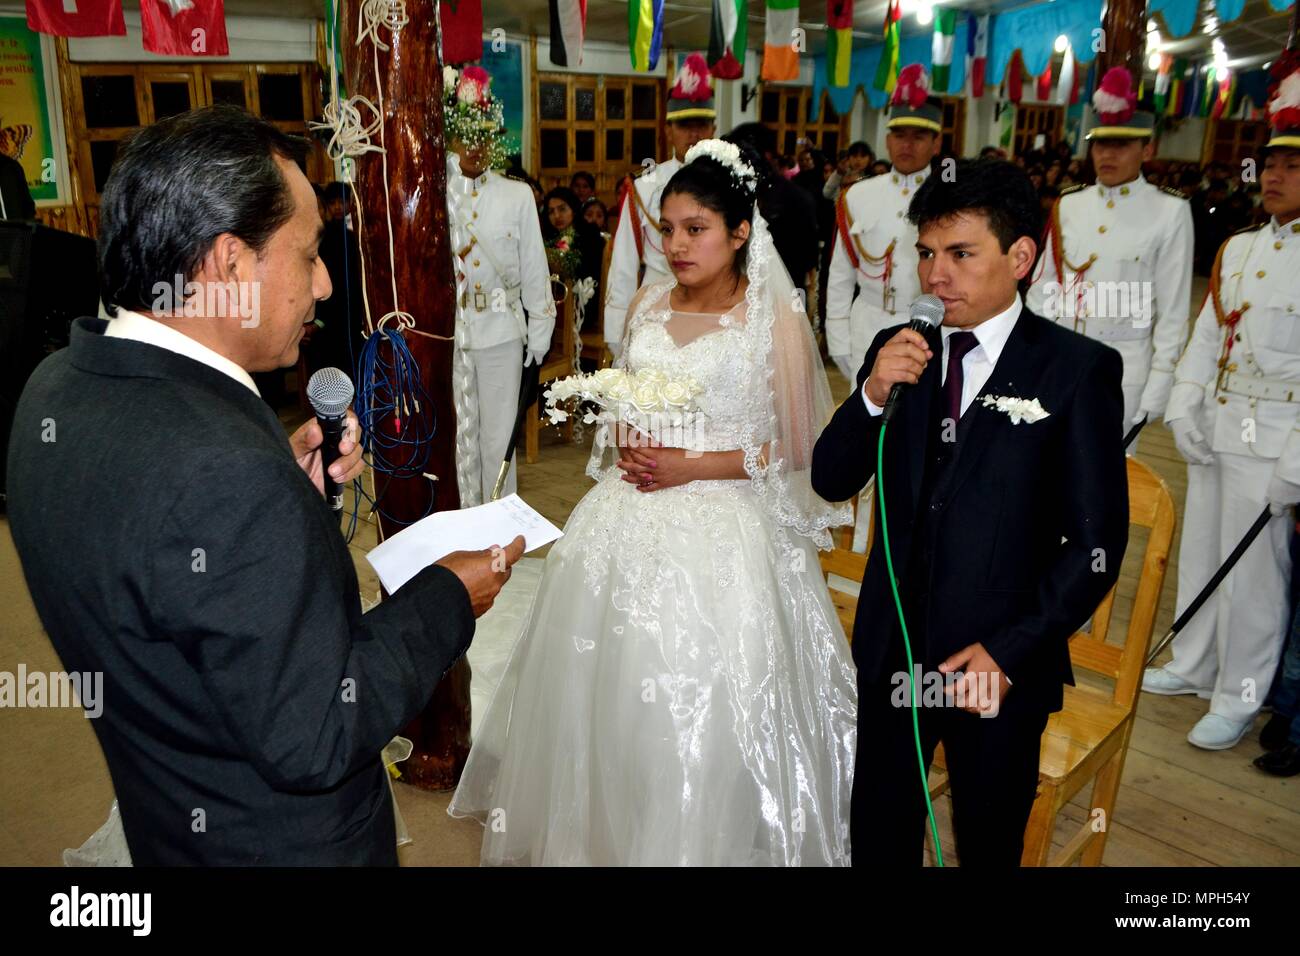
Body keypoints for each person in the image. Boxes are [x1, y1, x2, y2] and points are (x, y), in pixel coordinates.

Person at [4, 105, 523, 865]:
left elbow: (167, 569)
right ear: (228, 265)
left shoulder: (54, 389)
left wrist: (283, 491)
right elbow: (317, 731)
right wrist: (447, 594)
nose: (321, 284)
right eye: (308, 254)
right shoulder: (223, 473)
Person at [449, 139, 857, 865]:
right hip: (626, 512)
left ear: (740, 233)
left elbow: (800, 449)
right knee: (601, 697)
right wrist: (627, 427)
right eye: (666, 229)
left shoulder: (775, 322)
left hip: (725, 525)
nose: (675, 245)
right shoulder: (643, 303)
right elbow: (624, 403)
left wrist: (694, 464)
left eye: (695, 229)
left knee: (695, 708)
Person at [812, 158, 1128, 866]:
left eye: (960, 254)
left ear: (1020, 257)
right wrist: (869, 394)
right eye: (926, 253)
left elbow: (1095, 545)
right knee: (881, 832)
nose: (934, 277)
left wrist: (1009, 651)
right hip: (894, 646)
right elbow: (832, 478)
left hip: (996, 663)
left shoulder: (1074, 368)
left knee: (988, 842)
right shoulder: (900, 351)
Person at [1143, 75, 1300, 750]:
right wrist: (1184, 405)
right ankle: (1195, 661)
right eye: (1271, 164)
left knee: (1255, 580)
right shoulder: (1239, 247)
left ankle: (1240, 694)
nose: (1274, 176)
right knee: (1203, 556)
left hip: (1274, 441)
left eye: (1293, 166)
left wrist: (1296, 465)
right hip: (1217, 425)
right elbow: (1211, 334)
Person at [1025, 67, 1193, 436]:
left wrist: (1160, 381)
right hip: (1060, 360)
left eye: (1121, 145)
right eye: (1101, 144)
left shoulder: (1170, 212)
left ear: (1147, 148)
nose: (1107, 154)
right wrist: (1031, 356)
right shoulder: (1069, 204)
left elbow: (1173, 309)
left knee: (1105, 478)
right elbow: (1042, 290)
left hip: (1123, 366)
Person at [444, 65, 555, 505]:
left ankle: (497, 525)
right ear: (453, 135)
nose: (477, 145)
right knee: (459, 434)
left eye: (486, 135)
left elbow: (534, 267)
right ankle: (460, 521)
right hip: (452, 332)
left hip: (501, 331)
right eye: (468, 134)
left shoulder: (517, 195)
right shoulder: (438, 193)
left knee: (497, 439)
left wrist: (540, 335)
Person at [825, 64, 942, 383]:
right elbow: (841, 274)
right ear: (887, 140)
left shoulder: (949, 196)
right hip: (867, 327)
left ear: (936, 143)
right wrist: (838, 339)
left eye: (919, 136)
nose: (907, 144)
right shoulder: (858, 194)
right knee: (863, 424)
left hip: (930, 332)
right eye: (899, 135)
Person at [603, 52, 716, 361]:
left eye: (702, 124)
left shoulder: (729, 188)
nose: (694, 134)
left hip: (713, 317)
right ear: (668, 130)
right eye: (684, 125)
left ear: (714, 128)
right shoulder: (644, 187)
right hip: (655, 315)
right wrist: (616, 336)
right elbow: (624, 267)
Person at [725, 122, 819, 295]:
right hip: (788, 291)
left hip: (758, 294)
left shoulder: (795, 198)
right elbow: (810, 259)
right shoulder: (799, 196)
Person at [541, 185, 606, 330]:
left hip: (582, 307)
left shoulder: (589, 234)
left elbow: (584, 272)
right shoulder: (547, 238)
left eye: (562, 209)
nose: (557, 216)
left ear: (574, 209)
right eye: (551, 211)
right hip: (552, 306)